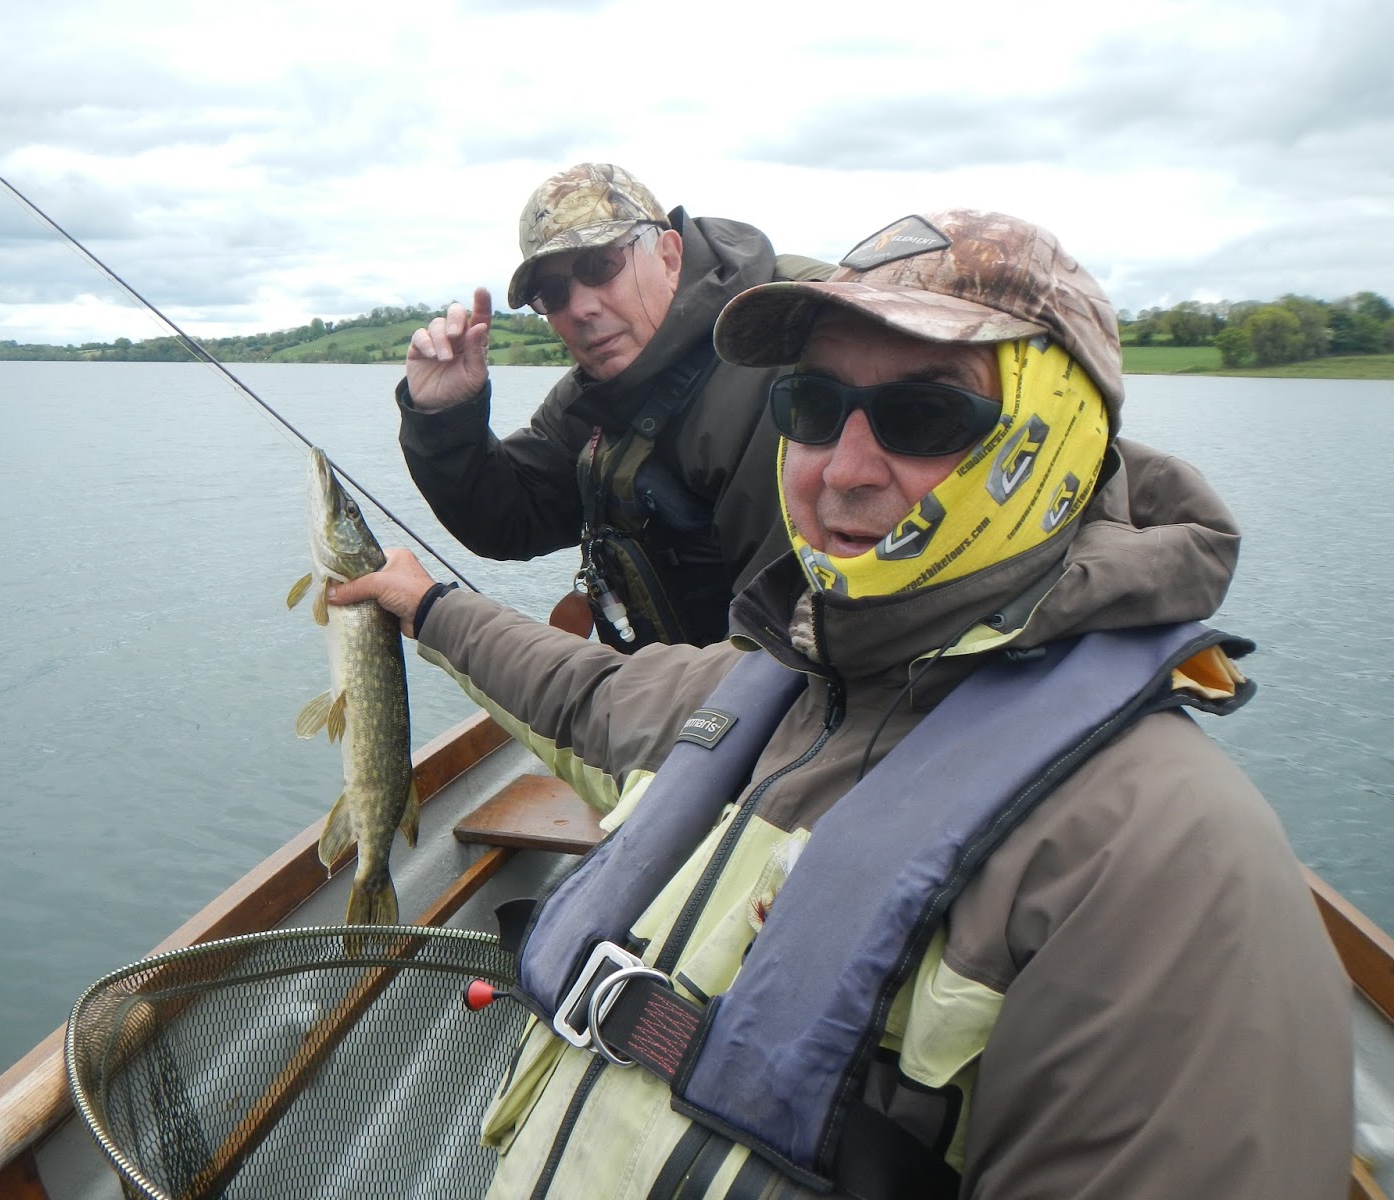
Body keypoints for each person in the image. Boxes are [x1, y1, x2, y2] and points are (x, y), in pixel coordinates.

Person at [333, 209, 1353, 1198]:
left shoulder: (1164, 857)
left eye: (923, 417)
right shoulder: (786, 685)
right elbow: (584, 688)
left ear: (1055, 439)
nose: (843, 472)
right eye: (812, 410)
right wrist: (424, 605)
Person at [397, 162, 833, 650]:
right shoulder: (597, 390)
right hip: (669, 695)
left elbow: (774, 655)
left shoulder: (779, 370)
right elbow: (510, 519)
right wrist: (445, 417)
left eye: (600, 267)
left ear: (669, 256)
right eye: (554, 293)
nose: (581, 308)